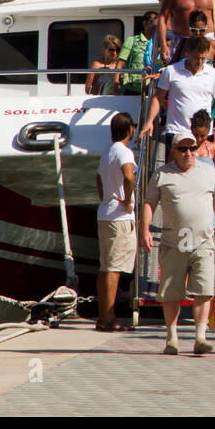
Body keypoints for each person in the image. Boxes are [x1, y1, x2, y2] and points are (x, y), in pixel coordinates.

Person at [141, 132, 215, 355]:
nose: (188, 153)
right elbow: (149, 203)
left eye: (192, 148)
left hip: (203, 241)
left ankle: (200, 337)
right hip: (174, 242)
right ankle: (171, 338)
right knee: (171, 292)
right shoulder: (162, 174)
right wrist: (144, 229)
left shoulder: (208, 171)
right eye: (182, 149)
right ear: (173, 151)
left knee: (204, 290)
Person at [142, 35, 215, 153]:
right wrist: (149, 121)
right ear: (187, 53)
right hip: (177, 132)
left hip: (204, 134)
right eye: (196, 57)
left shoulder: (214, 74)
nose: (200, 62)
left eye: (203, 58)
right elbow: (157, 98)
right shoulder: (170, 71)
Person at [95, 112, 137, 331]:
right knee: (114, 269)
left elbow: (97, 177)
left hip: (105, 214)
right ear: (130, 129)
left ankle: (102, 316)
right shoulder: (125, 151)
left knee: (105, 268)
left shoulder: (108, 150)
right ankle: (109, 319)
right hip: (119, 217)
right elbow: (129, 176)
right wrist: (127, 200)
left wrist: (105, 198)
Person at [120, 12, 158, 96]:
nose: (155, 26)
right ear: (144, 23)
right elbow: (119, 64)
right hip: (132, 90)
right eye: (152, 22)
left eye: (157, 24)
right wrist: (116, 85)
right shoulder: (132, 40)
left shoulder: (160, 44)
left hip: (152, 90)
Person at [188, 109, 215, 178]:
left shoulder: (212, 148)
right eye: (196, 135)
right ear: (191, 130)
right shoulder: (184, 148)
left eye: (203, 136)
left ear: (208, 132)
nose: (199, 139)